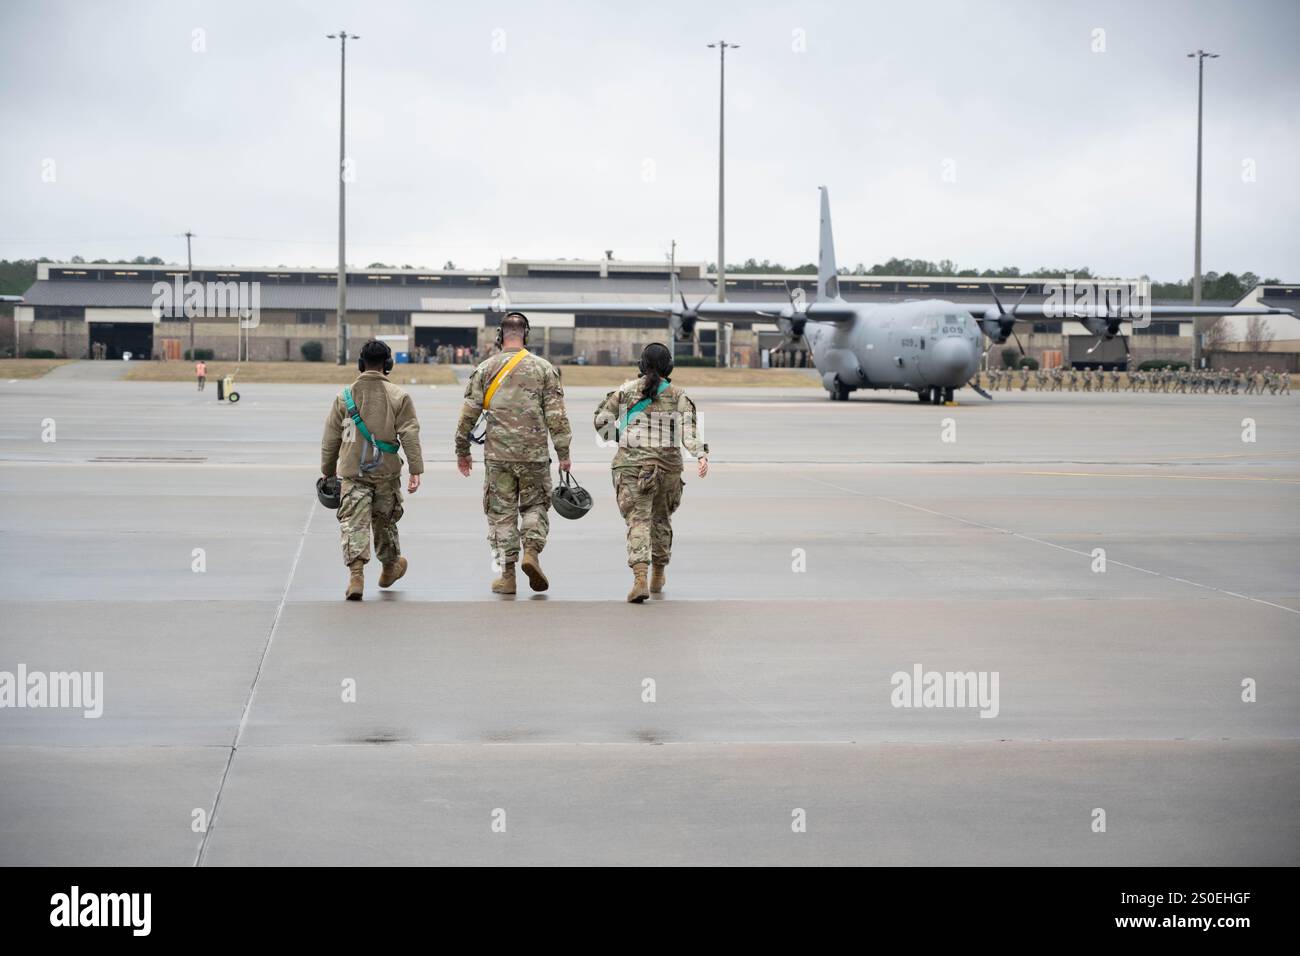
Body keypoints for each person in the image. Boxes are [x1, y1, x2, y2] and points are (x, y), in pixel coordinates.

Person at [454, 312, 572, 594]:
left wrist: (462, 449)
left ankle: (507, 577)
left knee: (501, 514)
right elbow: (557, 416)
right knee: (535, 507)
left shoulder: (485, 368)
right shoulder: (544, 369)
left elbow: (468, 414)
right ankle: (531, 552)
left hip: (499, 457)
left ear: (500, 336)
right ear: (526, 335)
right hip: (534, 456)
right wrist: (564, 453)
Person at [594, 342, 709, 603]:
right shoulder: (678, 394)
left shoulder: (624, 391)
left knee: (639, 520)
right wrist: (699, 453)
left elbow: (601, 421)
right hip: (667, 468)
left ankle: (640, 579)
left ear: (642, 366)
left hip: (632, 466)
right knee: (661, 519)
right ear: (669, 366)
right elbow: (688, 429)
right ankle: (659, 573)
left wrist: (618, 437)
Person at [320, 340, 424, 601]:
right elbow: (409, 434)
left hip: (353, 473)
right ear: (388, 364)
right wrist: (415, 469)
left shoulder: (344, 397)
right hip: (386, 473)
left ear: (360, 363)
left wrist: (328, 471)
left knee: (354, 523)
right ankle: (390, 567)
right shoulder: (399, 396)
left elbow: (331, 438)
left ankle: (356, 576)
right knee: (385, 521)